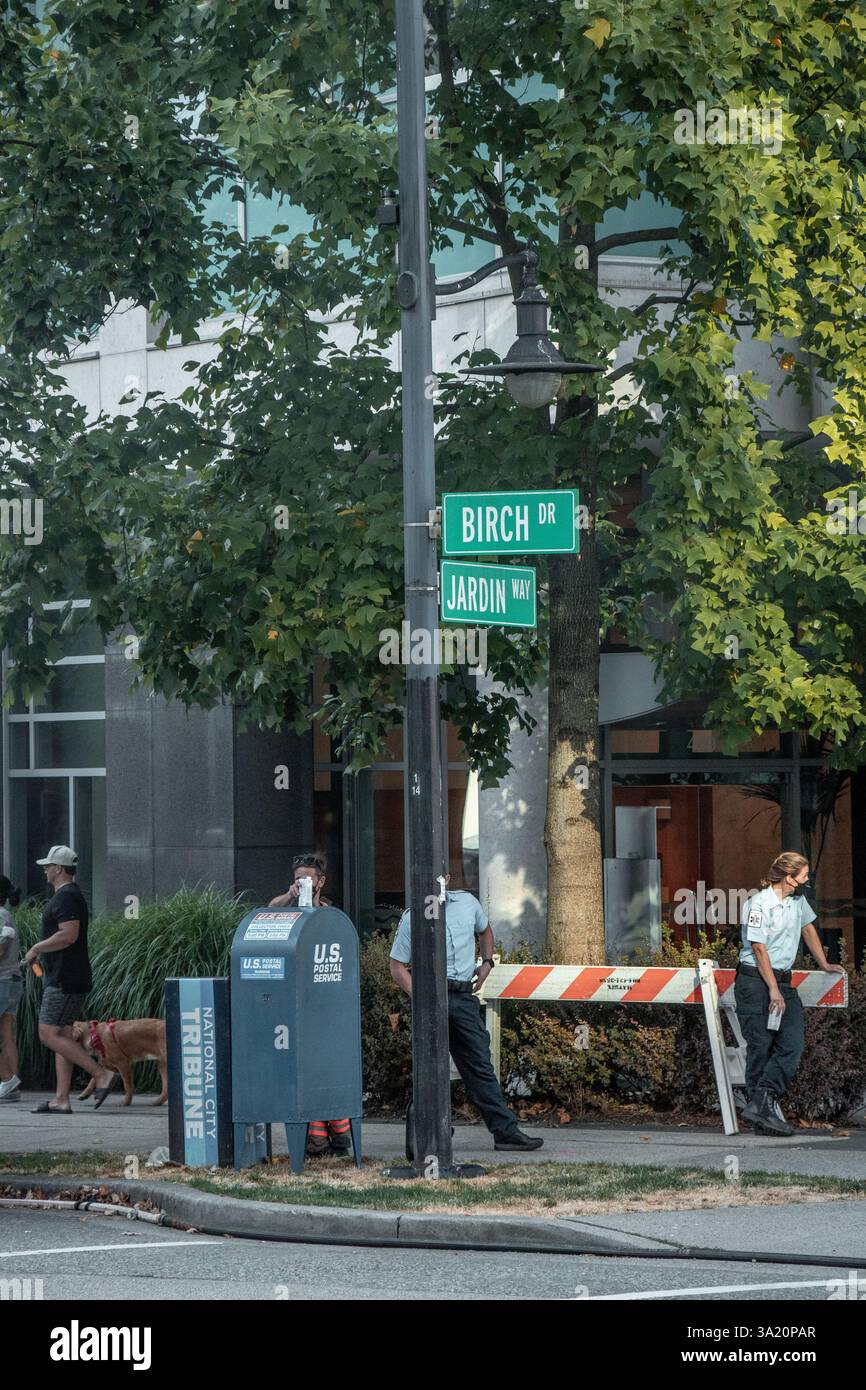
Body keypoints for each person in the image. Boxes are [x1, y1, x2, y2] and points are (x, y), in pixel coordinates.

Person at [389, 873, 543, 1151]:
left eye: (439, 877)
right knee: (430, 1069)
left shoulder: (467, 904)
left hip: (462, 997)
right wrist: (421, 999)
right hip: (431, 997)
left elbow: (485, 930)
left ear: (447, 878)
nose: (434, 883)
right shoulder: (414, 916)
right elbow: (397, 966)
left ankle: (505, 1132)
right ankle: (432, 1131)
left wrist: (487, 963)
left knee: (479, 1066)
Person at [737, 851, 846, 1136]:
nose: (807, 880)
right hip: (756, 982)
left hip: (783, 981)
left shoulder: (798, 901)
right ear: (789, 877)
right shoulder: (759, 904)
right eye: (804, 875)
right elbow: (758, 948)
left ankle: (761, 1101)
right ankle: (762, 1118)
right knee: (760, 1046)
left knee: (792, 1043)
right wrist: (773, 989)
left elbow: (808, 930)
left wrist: (824, 963)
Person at [21, 845, 115, 1114]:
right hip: (67, 976)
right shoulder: (68, 896)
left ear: (59, 869)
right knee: (62, 1035)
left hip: (65, 978)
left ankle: (101, 1074)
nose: (45, 870)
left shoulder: (66, 897)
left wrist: (37, 948)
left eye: (48, 866)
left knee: (47, 1033)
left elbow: (68, 935)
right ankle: (61, 1099)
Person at [269, 853, 351, 1157]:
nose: (302, 882)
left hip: (326, 1008)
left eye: (307, 878)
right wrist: (289, 897)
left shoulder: (329, 916)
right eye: (297, 878)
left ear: (320, 881)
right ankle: (319, 1140)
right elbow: (267, 911)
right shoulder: (287, 911)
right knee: (305, 1074)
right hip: (295, 1008)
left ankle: (338, 1135)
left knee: (327, 1071)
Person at [0, 875, 23, 1102]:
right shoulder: (6, 914)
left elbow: (0, 949)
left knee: (6, 1035)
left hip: (2, 981)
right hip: (11, 981)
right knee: (7, 1034)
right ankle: (10, 1086)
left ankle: (7, 1080)